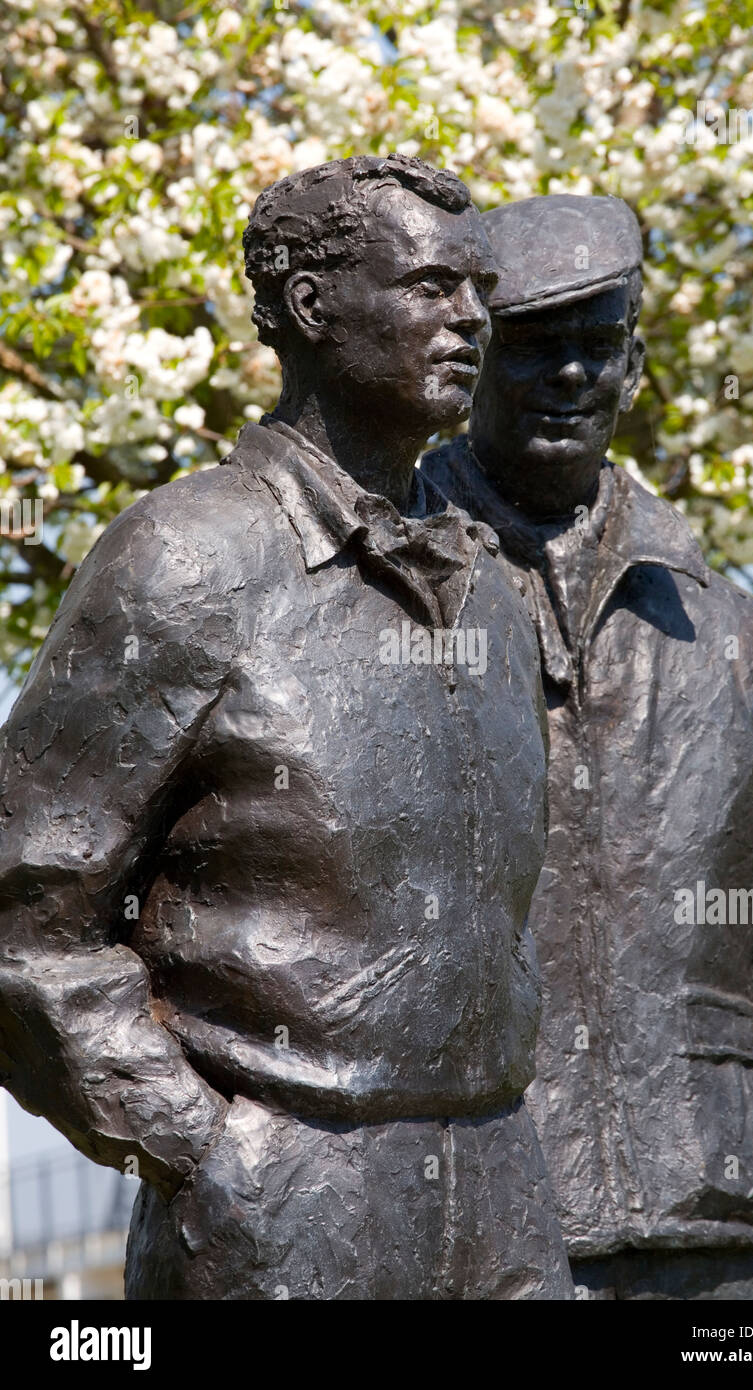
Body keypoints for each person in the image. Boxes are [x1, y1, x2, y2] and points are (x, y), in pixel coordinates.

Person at [0, 156, 573, 1300]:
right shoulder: (187, 558)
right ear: (311, 307)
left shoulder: (493, 591)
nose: (471, 318)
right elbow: (25, 924)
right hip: (284, 1202)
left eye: (478, 289)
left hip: (504, 1193)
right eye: (430, 286)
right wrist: (204, 1151)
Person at [422, 193, 753, 1300]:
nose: (571, 374)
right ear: (470, 363)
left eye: (598, 343)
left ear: (635, 366)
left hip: (703, 1234)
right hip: (462, 1232)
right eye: (535, 346)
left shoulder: (739, 646)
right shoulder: (374, 598)